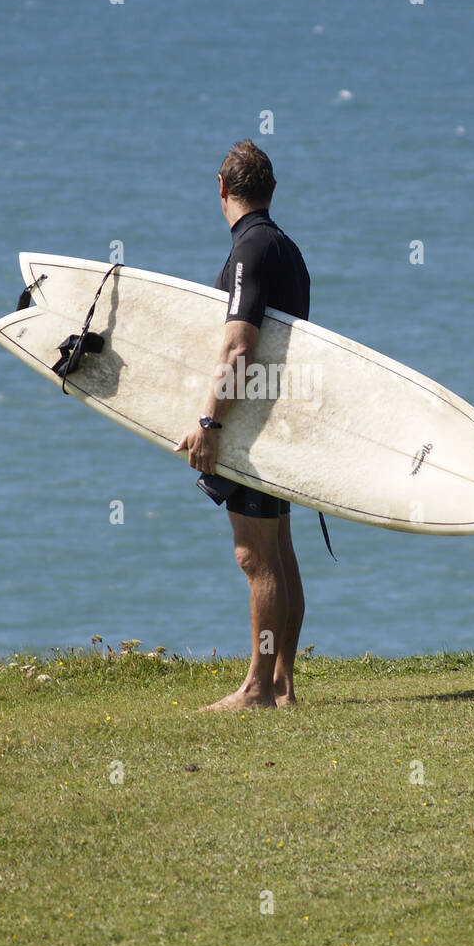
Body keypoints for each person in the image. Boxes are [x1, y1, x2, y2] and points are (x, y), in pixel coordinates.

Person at [176, 140, 311, 710]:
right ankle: (281, 683)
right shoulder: (286, 249)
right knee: (277, 549)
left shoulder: (249, 250)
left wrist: (209, 421)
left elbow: (237, 346)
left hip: (249, 426)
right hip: (279, 418)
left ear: (222, 188)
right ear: (272, 191)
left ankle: (257, 687)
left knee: (253, 557)